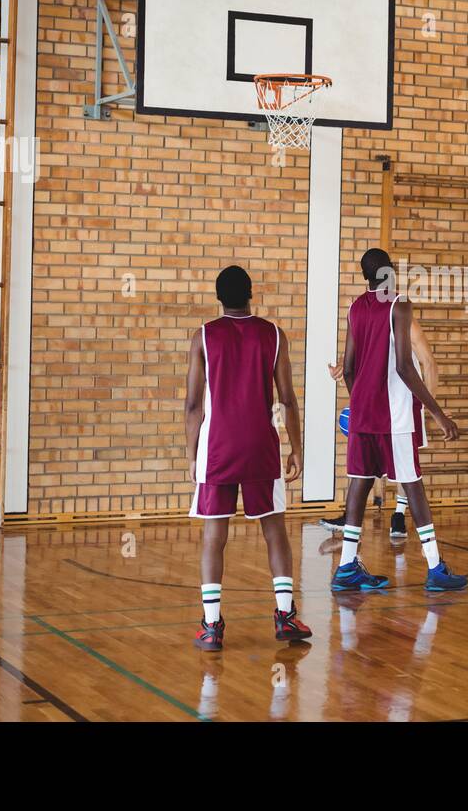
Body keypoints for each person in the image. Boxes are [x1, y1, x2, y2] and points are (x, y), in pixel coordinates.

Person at [185, 265, 312, 651]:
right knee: (274, 531)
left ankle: (211, 626)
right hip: (261, 445)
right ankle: (285, 616)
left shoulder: (204, 336)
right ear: (251, 294)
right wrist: (297, 448)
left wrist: (192, 456)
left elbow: (192, 405)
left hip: (218, 447)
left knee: (214, 535)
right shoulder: (273, 334)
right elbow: (287, 398)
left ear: (218, 298)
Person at [330, 248, 468, 592]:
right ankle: (436, 568)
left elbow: (347, 368)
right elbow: (405, 367)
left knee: (359, 485)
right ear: (391, 272)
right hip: (394, 416)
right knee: (412, 485)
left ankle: (347, 565)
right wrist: (438, 413)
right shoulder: (399, 303)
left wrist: (360, 399)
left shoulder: (354, 308)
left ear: (365, 278)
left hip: (364, 415)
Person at [319, 316, 439, 539]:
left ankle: (399, 517)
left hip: (404, 404)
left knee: (406, 468)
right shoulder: (369, 320)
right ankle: (350, 520)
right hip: (378, 401)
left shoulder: (407, 324)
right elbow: (363, 356)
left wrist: (430, 408)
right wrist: (343, 367)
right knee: (361, 464)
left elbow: (429, 363)